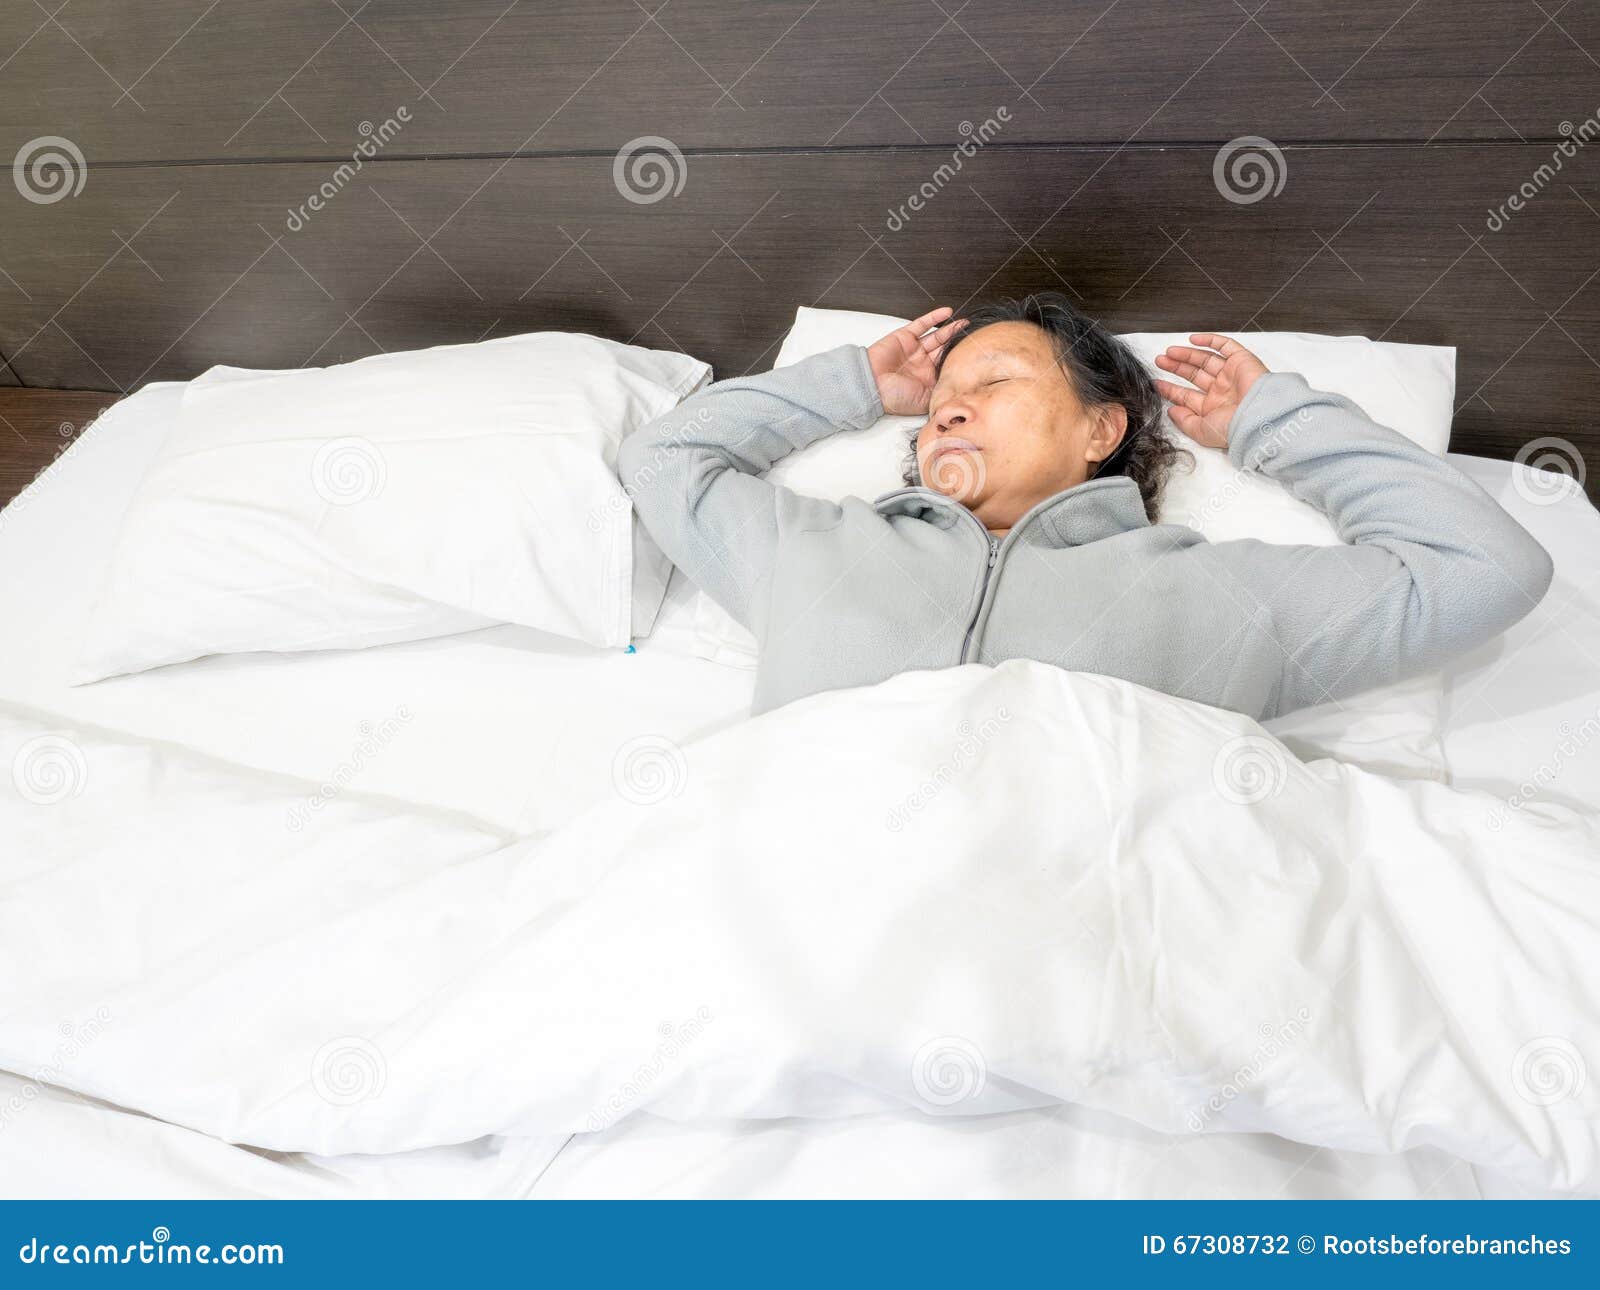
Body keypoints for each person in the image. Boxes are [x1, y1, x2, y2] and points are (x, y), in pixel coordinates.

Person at [619, 292, 1552, 718]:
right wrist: (852, 386)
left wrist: (1277, 420)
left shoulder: (1222, 597)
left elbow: (1487, 569)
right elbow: (663, 459)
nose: (950, 403)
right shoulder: (809, 550)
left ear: (1101, 430)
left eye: (996, 380)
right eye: (944, 395)